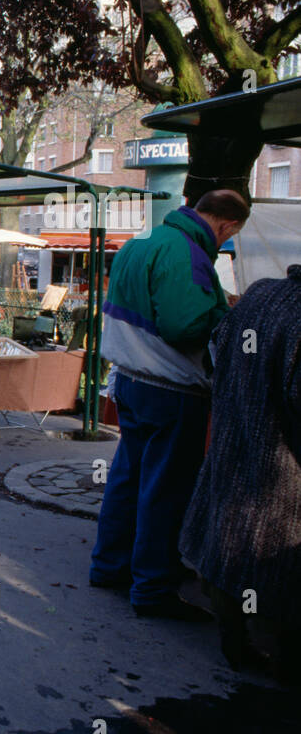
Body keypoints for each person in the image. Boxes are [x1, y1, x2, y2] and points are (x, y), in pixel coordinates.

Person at [89, 189, 247, 621]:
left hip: (131, 380)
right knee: (165, 489)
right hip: (171, 387)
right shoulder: (189, 253)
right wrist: (226, 313)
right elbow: (184, 326)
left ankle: (109, 566)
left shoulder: (142, 242)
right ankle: (153, 588)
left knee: (127, 479)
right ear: (227, 225)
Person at [178, 266, 301, 683]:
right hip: (281, 471)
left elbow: (217, 350)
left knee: (230, 550)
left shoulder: (260, 294)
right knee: (278, 572)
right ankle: (283, 660)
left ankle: (233, 638)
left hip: (235, 444)